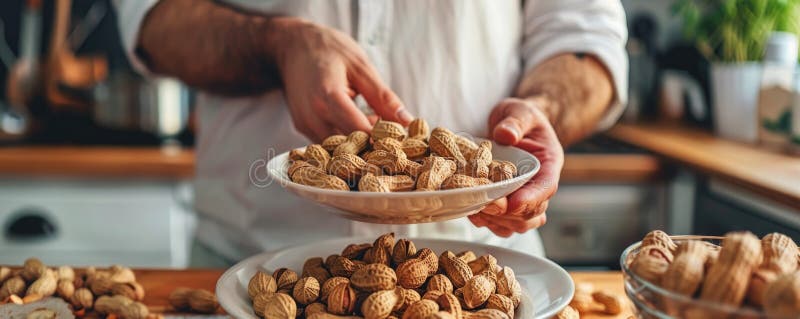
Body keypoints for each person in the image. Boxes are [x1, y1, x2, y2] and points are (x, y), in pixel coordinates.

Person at [114, 0, 627, 265]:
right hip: (251, 266)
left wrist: (542, 107)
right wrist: (277, 44)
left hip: (475, 268)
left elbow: (586, 35)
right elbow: (154, 19)